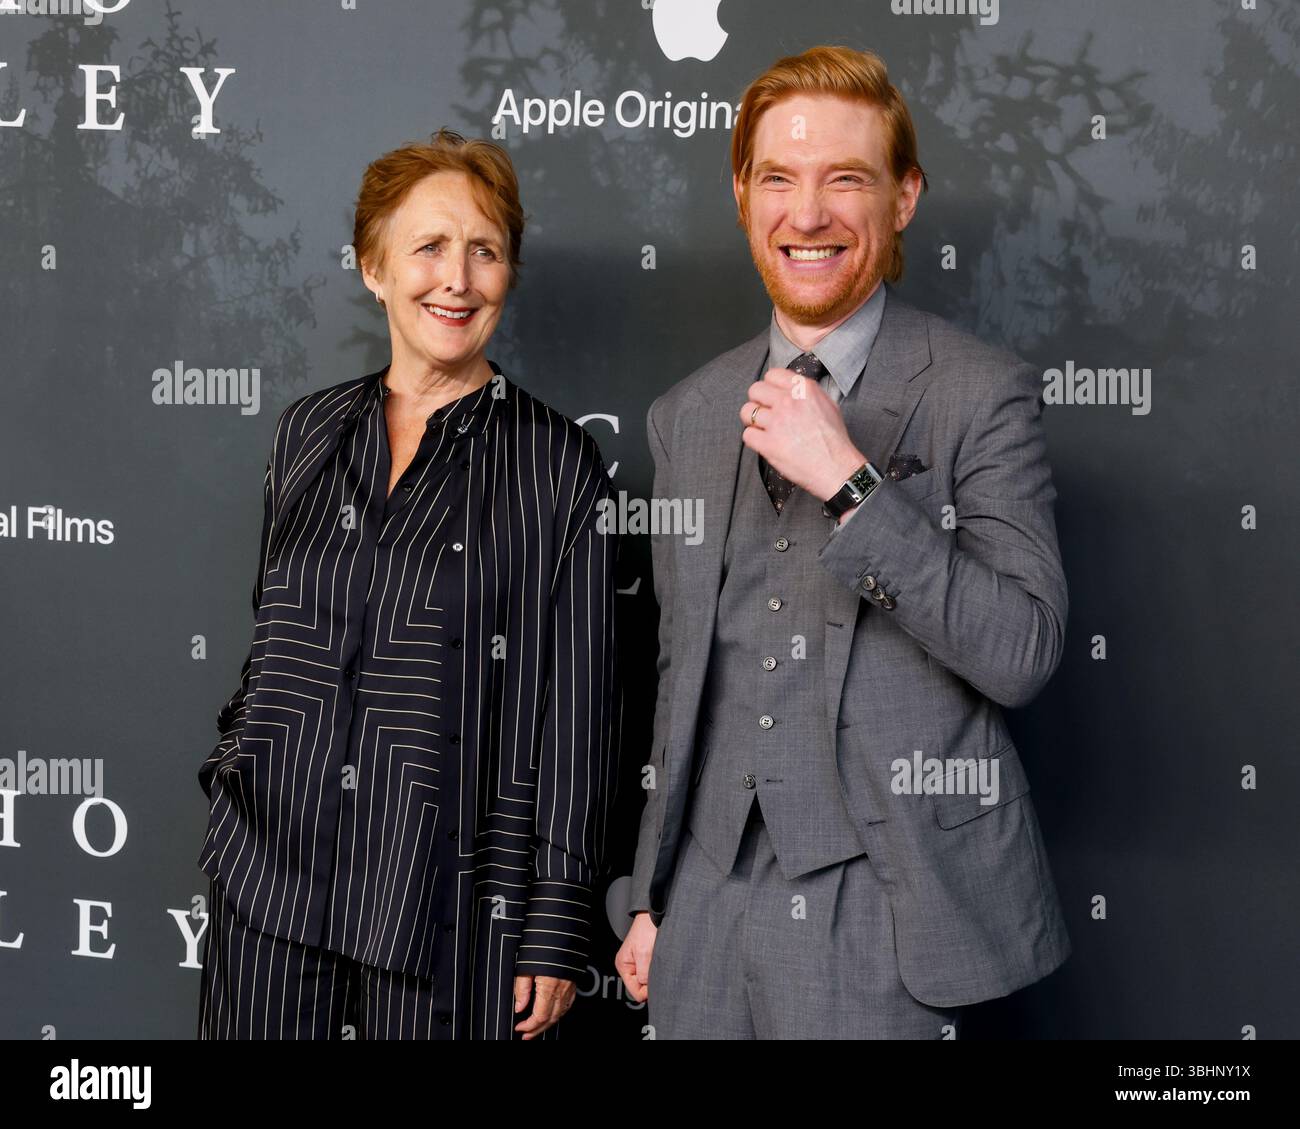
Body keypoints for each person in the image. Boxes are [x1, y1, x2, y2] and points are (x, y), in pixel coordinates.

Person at [616, 45, 1071, 1039]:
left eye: (844, 180)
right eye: (777, 178)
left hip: (889, 904)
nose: (807, 213)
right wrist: (651, 892)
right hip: (704, 908)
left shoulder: (977, 391)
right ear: (742, 194)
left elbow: (1023, 651)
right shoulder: (684, 416)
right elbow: (684, 670)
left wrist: (852, 484)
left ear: (902, 197)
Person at [196, 129, 620, 1040]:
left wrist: (553, 921)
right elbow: (270, 637)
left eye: (485, 251)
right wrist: (241, 763)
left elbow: (580, 720)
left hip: (451, 912)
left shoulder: (559, 469)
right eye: (428, 247)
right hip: (268, 884)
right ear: (373, 268)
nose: (457, 279)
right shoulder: (306, 433)